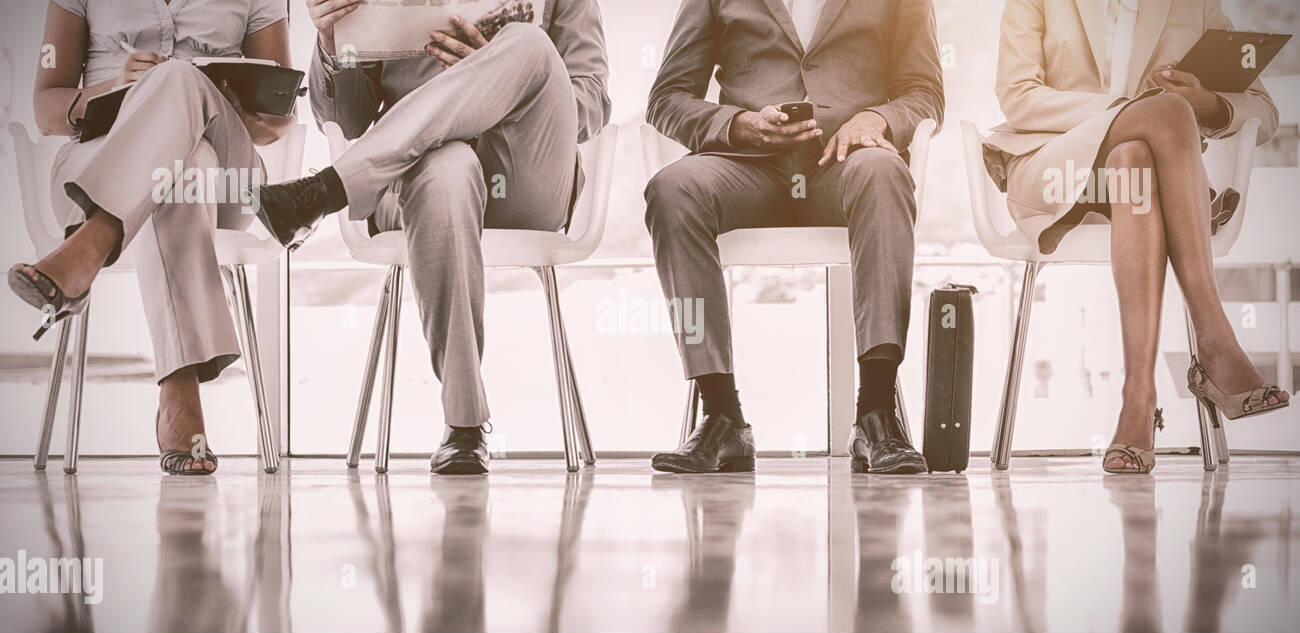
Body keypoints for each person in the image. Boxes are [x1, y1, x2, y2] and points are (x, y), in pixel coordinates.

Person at [253, 0, 610, 475]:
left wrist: (495, 76)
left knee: (527, 44)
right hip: (416, 178)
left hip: (524, 172)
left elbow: (593, 101)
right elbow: (346, 120)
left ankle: (325, 192)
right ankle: (464, 423)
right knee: (445, 169)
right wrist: (330, 43)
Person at [983, 0, 1288, 474]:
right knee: (1163, 113)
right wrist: (1130, 110)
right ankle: (1215, 342)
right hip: (1055, 165)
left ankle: (1138, 401)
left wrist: (1205, 102)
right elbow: (1019, 97)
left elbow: (1264, 112)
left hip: (1136, 178)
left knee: (1134, 160)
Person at [642, 0, 944, 474]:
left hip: (847, 164)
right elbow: (667, 98)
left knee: (885, 171)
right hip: (746, 168)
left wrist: (876, 120)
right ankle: (721, 415)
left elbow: (924, 92)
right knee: (671, 189)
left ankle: (877, 413)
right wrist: (736, 125)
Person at [8, 0, 295, 475]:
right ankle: (179, 394)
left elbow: (283, 110)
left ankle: (93, 241)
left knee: (181, 82)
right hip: (100, 158)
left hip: (228, 174)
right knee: (182, 169)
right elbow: (46, 109)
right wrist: (119, 88)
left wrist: (223, 105)